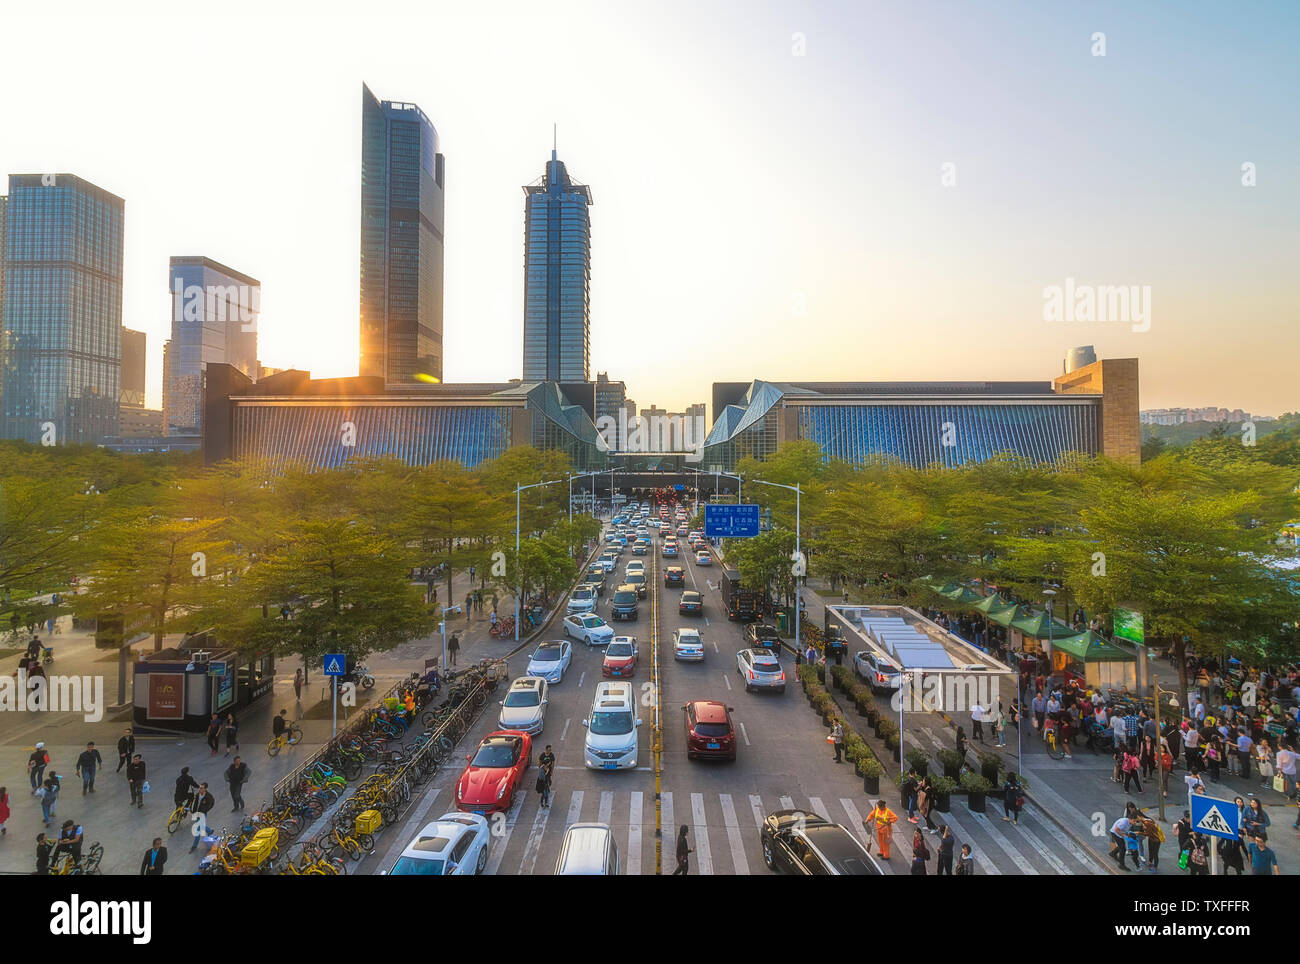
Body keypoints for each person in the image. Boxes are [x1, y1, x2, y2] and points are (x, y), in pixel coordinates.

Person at [190, 783, 215, 852]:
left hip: (202, 814)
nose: (199, 789)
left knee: (197, 830)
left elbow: (212, 803)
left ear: (205, 789)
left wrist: (205, 810)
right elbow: (195, 803)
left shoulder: (208, 796)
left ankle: (194, 846)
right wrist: (193, 811)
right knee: (201, 826)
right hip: (197, 813)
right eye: (199, 787)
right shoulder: (198, 795)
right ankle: (209, 831)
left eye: (201, 788)